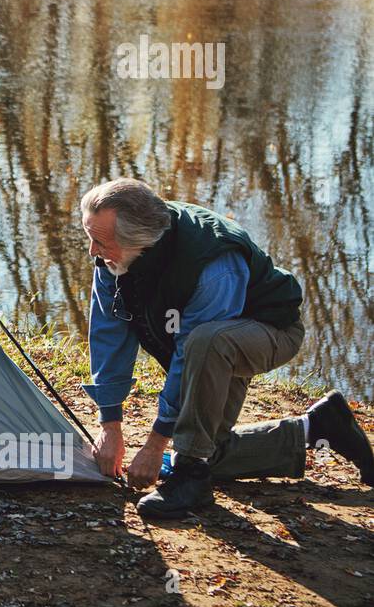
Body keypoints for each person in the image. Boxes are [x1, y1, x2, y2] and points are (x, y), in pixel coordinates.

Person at [80, 178, 373, 518]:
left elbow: (191, 350)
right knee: (210, 450)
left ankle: (191, 478)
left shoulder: (212, 264)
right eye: (90, 237)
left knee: (206, 349)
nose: (92, 252)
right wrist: (110, 425)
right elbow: (108, 336)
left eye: (100, 241)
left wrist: (156, 443)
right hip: (214, 344)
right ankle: (319, 427)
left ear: (141, 241)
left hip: (268, 331)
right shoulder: (113, 259)